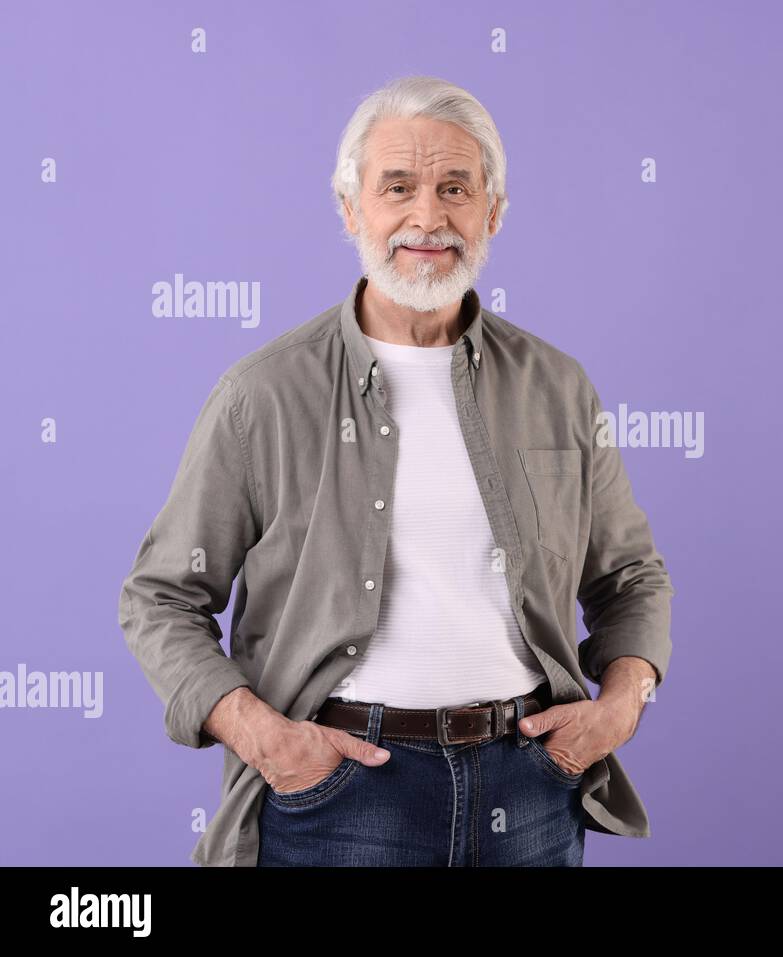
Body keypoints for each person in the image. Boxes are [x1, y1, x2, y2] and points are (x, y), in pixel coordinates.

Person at [118, 75, 674, 866]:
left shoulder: (558, 385)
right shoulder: (262, 394)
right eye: (399, 187)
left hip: (531, 786)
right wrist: (266, 737)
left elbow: (630, 577)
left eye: (455, 188)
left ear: (494, 213)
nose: (428, 216)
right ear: (351, 210)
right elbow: (160, 597)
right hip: (336, 793)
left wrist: (619, 707)